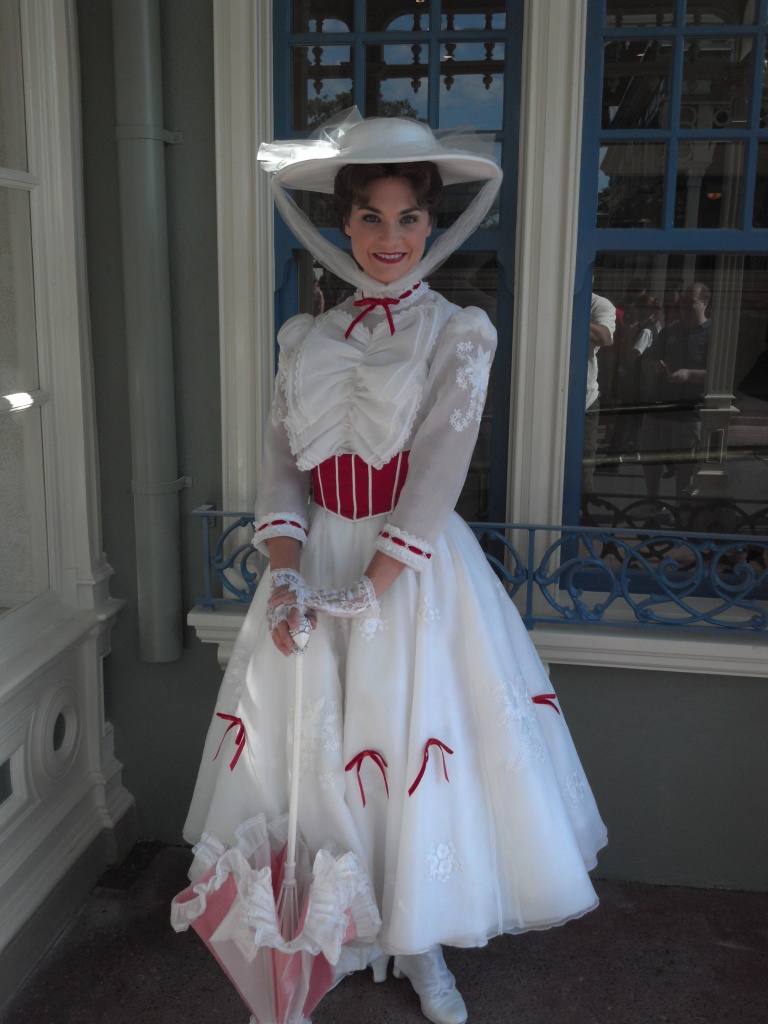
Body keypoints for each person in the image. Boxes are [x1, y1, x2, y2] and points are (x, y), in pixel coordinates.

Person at [180, 110, 607, 1024]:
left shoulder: (459, 333)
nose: (389, 237)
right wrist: (290, 576)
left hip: (406, 578)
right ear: (344, 225)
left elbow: (436, 483)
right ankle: (342, 929)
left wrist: (361, 593)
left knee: (406, 748)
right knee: (318, 764)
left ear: (432, 224)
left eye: (408, 217)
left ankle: (418, 946)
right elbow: (282, 471)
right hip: (317, 557)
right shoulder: (305, 339)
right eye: (371, 217)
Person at [640, 281, 711, 501]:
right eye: (682, 303)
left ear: (705, 303)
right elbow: (647, 358)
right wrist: (652, 366)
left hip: (689, 411)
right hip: (659, 407)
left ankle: (682, 510)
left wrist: (689, 375)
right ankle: (653, 503)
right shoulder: (672, 329)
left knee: (685, 466)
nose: (685, 307)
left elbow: (720, 377)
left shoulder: (712, 334)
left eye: (691, 302)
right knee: (652, 459)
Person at [582, 292, 616, 504]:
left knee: (584, 457)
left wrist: (569, 312)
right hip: (545, 397)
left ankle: (581, 510)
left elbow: (603, 337)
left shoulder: (600, 304)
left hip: (584, 399)